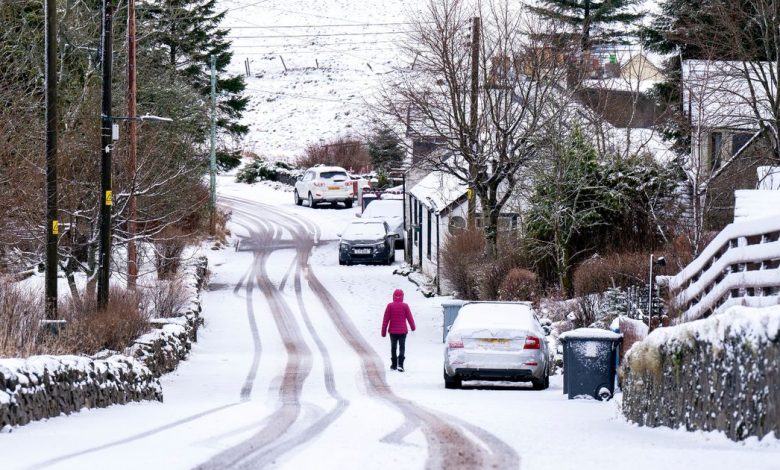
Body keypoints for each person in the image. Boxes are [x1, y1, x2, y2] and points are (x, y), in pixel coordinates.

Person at [381, 289, 416, 372]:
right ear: (402, 296)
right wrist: (413, 327)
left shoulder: (390, 306)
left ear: (393, 296)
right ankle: (400, 364)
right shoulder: (405, 306)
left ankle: (393, 365)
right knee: (402, 347)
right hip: (403, 331)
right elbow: (410, 318)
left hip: (392, 331)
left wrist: (383, 331)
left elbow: (385, 319)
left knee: (393, 347)